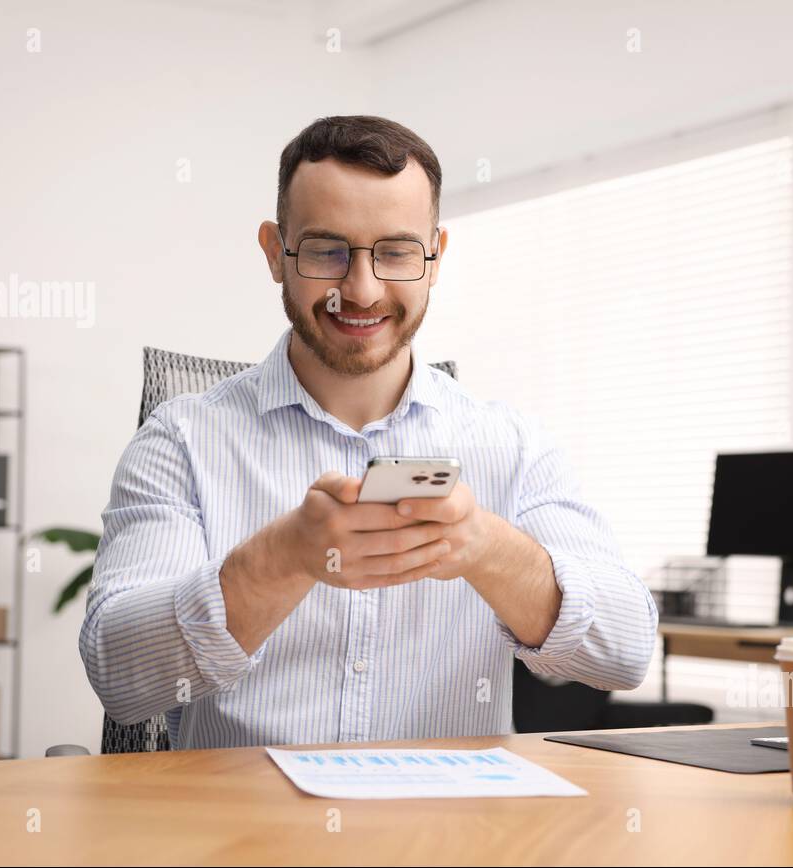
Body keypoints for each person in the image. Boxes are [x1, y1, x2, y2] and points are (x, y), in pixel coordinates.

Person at [79, 115, 658, 748]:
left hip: (449, 812)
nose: (360, 290)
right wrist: (284, 558)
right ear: (275, 252)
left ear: (434, 259)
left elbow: (625, 651)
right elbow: (120, 677)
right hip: (245, 810)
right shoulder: (182, 441)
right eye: (326, 250)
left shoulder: (514, 446)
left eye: (397, 252)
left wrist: (486, 547)